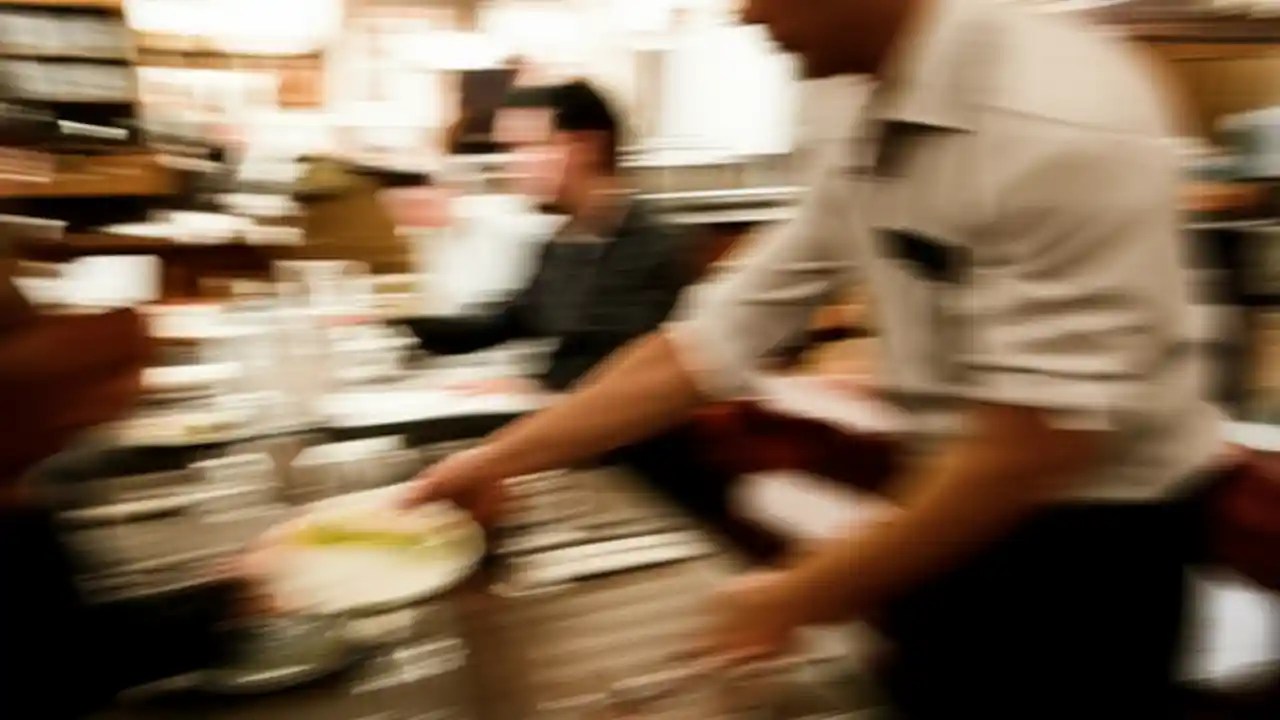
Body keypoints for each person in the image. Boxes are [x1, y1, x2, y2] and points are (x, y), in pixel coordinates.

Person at [402, 0, 1224, 716]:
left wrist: (799, 592)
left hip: (1092, 554)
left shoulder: (1052, 115)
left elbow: (1033, 445)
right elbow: (707, 343)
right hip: (943, 494)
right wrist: (497, 460)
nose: (746, 14)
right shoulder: (854, 106)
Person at [400, 80, 691, 395]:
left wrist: (535, 387)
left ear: (585, 147)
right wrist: (399, 329)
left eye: (524, 147)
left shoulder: (648, 245)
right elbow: (509, 321)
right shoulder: (569, 239)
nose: (511, 165)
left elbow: (616, 368)